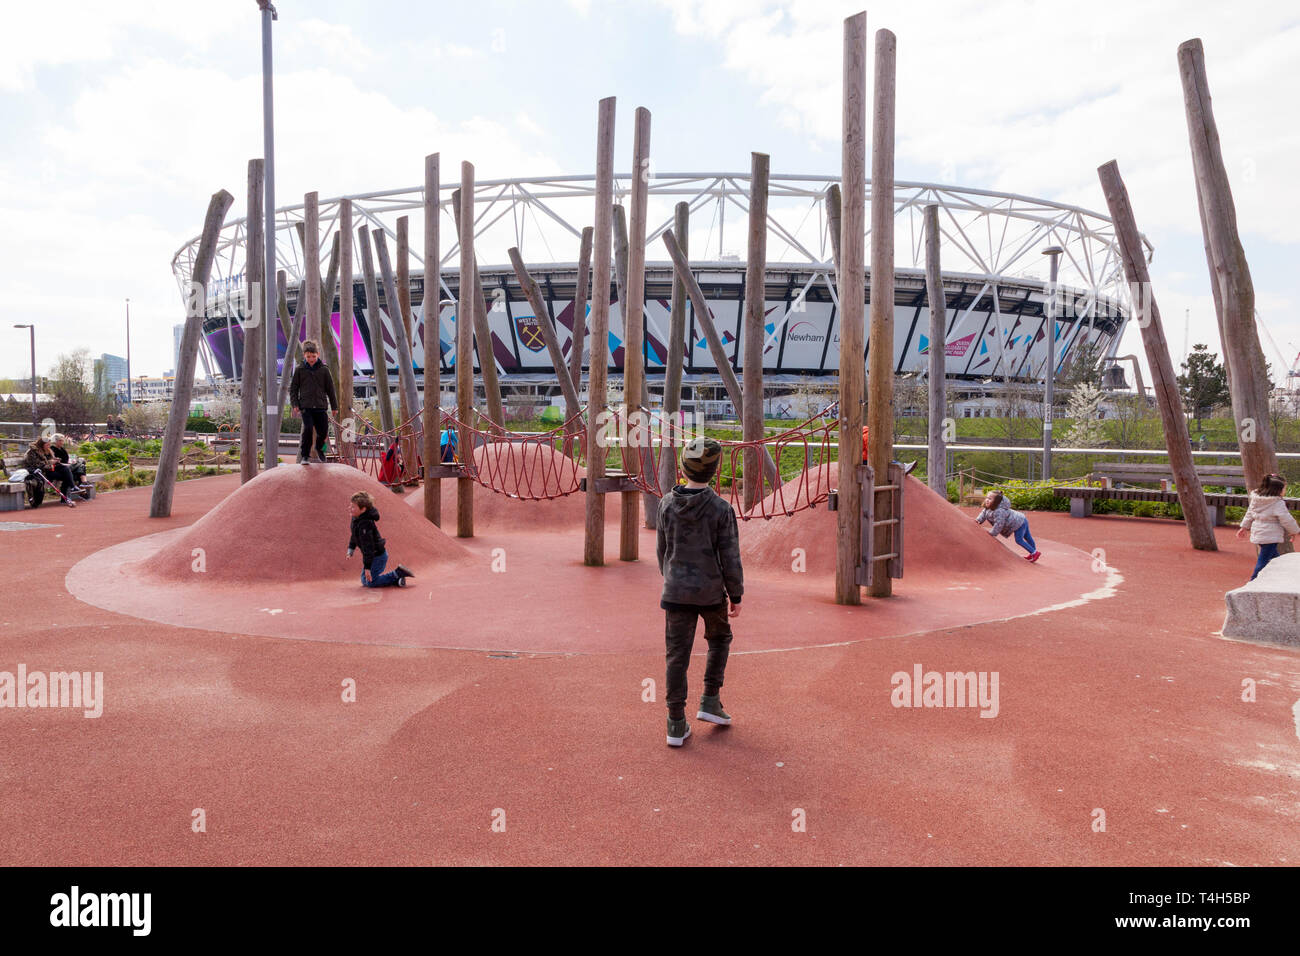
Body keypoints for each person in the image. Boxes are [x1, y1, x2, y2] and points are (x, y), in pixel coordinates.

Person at [655, 437, 744, 748]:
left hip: (675, 591)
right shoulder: (721, 509)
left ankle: (675, 722)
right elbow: (730, 556)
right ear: (715, 471)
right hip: (710, 593)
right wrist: (736, 593)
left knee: (676, 656)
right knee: (719, 639)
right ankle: (710, 699)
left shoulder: (666, 504)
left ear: (682, 467)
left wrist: (670, 577)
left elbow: (661, 550)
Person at [1236, 473, 1299, 582]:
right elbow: (1286, 519)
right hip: (1271, 536)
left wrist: (1244, 527)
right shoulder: (1277, 503)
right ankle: (1253, 580)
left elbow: (1250, 513)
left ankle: (1281, 577)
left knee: (1276, 559)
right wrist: (1294, 531)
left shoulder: (1256, 499)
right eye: (1284, 488)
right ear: (1277, 490)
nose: (1285, 491)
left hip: (1259, 534)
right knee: (1263, 560)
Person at [346, 491, 414, 589]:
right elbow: (354, 535)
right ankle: (396, 580)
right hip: (371, 556)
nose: (350, 508)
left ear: (363, 509)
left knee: (371, 583)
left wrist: (367, 568)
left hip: (377, 556)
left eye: (353, 507)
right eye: (350, 505)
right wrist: (350, 549)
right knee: (364, 581)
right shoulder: (356, 518)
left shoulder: (366, 524)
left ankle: (398, 573)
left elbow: (368, 548)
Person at [289, 340, 338, 465]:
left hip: (321, 406)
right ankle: (305, 455)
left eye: (313, 356)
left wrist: (334, 406)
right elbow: (293, 389)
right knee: (308, 429)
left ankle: (320, 449)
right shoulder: (300, 370)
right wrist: (295, 404)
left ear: (318, 355)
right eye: (308, 356)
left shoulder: (324, 370)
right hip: (306, 407)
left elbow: (331, 390)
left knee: (323, 432)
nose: (311, 359)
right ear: (304, 356)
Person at [975, 490, 1039, 561]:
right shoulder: (989, 507)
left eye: (990, 499)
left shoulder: (999, 511)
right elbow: (983, 514)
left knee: (1019, 540)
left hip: (1019, 522)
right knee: (1027, 537)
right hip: (1021, 519)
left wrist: (992, 533)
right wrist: (978, 520)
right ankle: (1033, 552)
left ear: (996, 502)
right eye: (987, 498)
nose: (987, 500)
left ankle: (1034, 552)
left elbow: (999, 524)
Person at [22, 437, 76, 507]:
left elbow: (50, 460)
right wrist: (50, 462)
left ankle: (70, 490)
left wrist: (56, 460)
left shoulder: (48, 450)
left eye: (49, 445)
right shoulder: (32, 452)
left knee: (65, 470)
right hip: (41, 472)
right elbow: (36, 464)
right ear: (42, 445)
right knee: (67, 476)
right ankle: (71, 490)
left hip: (50, 469)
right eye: (47, 445)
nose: (49, 446)